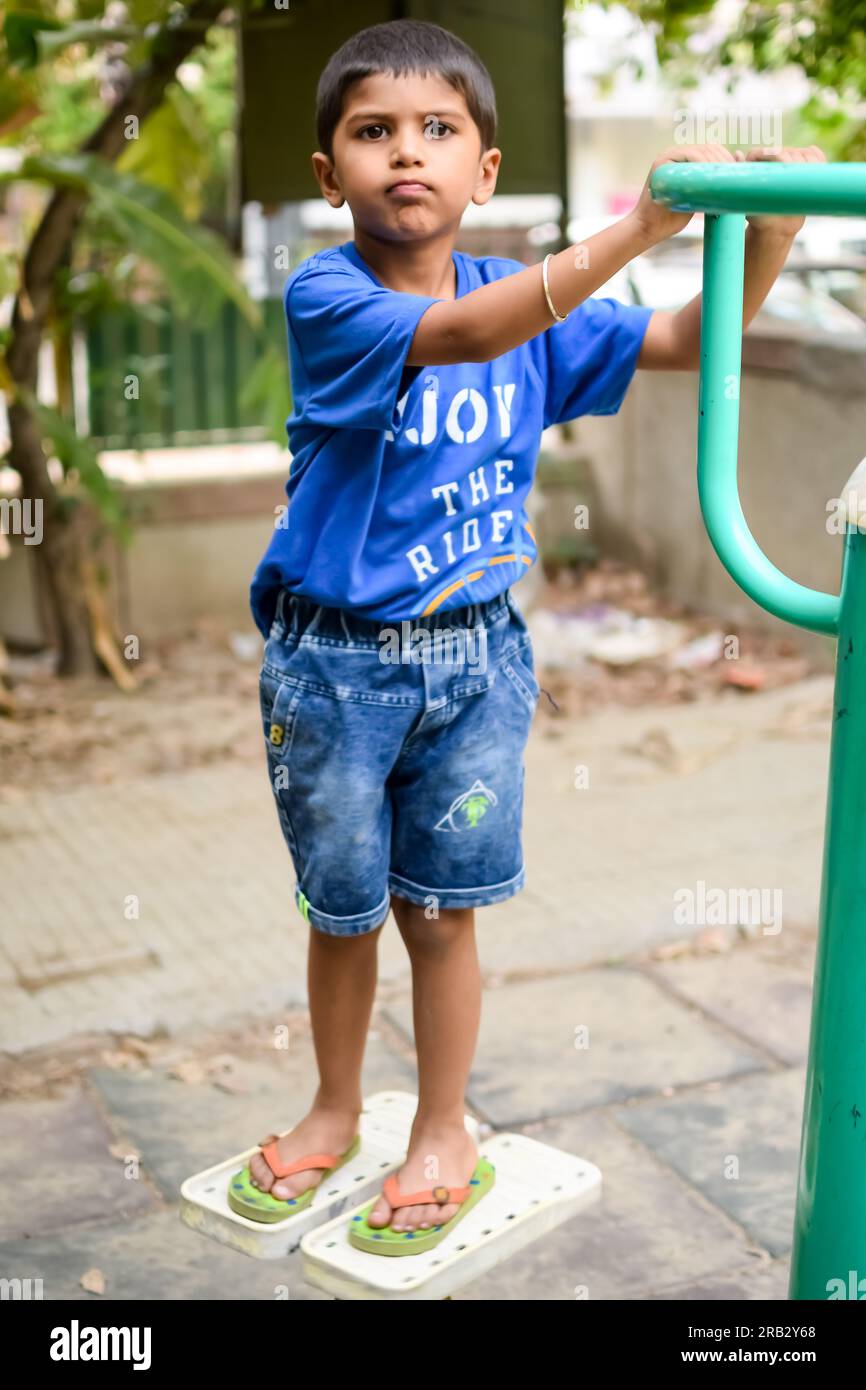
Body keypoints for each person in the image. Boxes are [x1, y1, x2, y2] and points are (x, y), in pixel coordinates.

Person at [238, 17, 823, 1251]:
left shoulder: (533, 317)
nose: (407, 152)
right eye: (373, 131)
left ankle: (442, 1125)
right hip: (333, 666)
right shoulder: (328, 296)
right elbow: (460, 334)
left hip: (477, 661)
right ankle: (335, 1105)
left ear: (483, 172)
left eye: (438, 129)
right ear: (326, 170)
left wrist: (761, 233)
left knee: (441, 914)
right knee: (340, 908)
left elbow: (677, 339)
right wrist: (635, 230)